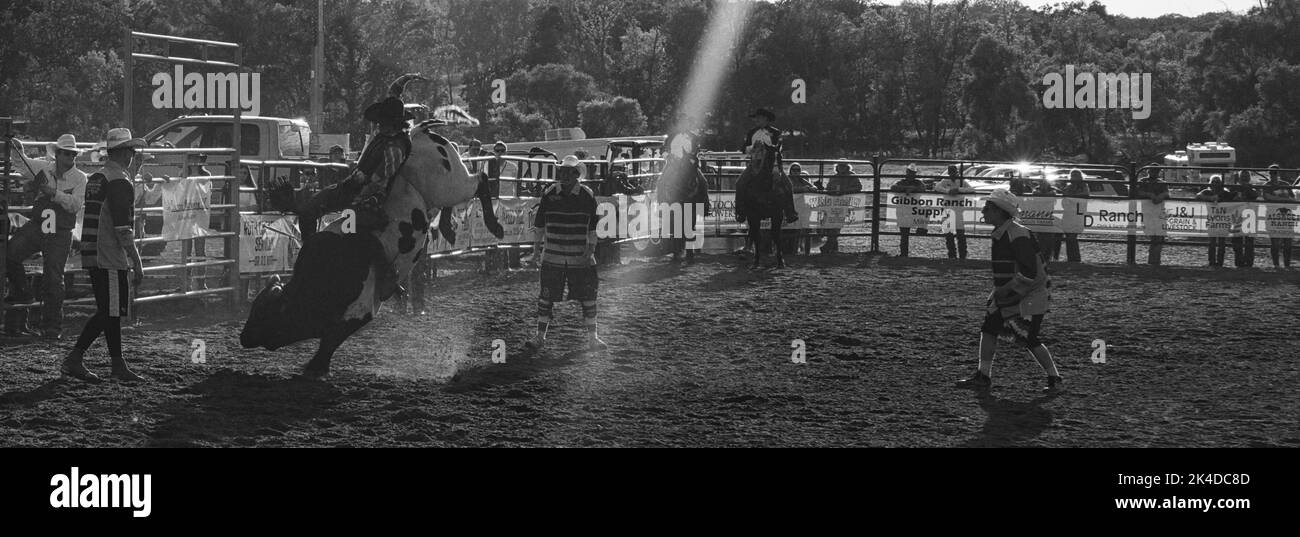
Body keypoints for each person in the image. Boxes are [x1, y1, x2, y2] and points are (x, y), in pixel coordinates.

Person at [297, 74, 422, 298]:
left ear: (393, 123)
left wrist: (360, 193)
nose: (378, 124)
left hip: (371, 198)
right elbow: (394, 91)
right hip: (351, 187)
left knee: (354, 233)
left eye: (383, 121)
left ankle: (387, 277)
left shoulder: (395, 147)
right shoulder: (386, 136)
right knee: (308, 211)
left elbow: (380, 181)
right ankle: (311, 260)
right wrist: (407, 79)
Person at [61, 128, 148, 383]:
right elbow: (123, 228)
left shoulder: (98, 177)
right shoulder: (119, 181)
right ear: (123, 152)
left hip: (93, 249)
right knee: (109, 310)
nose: (133, 154)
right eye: (131, 149)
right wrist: (136, 259)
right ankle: (76, 359)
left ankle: (115, 363)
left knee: (109, 310)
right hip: (108, 252)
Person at [956, 189, 1063, 393]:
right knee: (989, 328)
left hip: (1029, 294)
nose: (984, 211)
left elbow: (1029, 272)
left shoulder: (1016, 234)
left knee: (1028, 339)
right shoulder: (1009, 231)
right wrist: (999, 291)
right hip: (1020, 292)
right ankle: (983, 375)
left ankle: (1055, 379)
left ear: (999, 211)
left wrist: (1003, 290)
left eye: (988, 208)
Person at [3, 134, 87, 339]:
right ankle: (24, 295)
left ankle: (50, 326)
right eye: (66, 153)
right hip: (41, 226)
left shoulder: (80, 178)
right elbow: (21, 163)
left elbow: (75, 204)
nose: (70, 157)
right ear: (57, 154)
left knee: (53, 278)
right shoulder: (43, 168)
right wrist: (16, 148)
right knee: (9, 255)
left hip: (58, 232)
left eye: (72, 153)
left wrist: (53, 194)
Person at [523, 156, 606, 353]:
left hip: (580, 256)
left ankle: (593, 338)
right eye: (563, 172)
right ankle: (540, 337)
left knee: (588, 296)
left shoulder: (586, 195)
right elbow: (540, 224)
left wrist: (591, 249)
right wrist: (536, 251)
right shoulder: (550, 193)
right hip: (553, 255)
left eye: (569, 172)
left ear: (577, 175)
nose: (565, 176)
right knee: (546, 297)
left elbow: (593, 227)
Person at [740, 107, 797, 224]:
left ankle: (790, 212)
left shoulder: (776, 132)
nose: (756, 120)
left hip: (773, 164)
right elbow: (744, 149)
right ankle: (740, 211)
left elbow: (778, 147)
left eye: (759, 118)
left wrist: (765, 145)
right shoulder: (751, 132)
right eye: (756, 118)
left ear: (765, 119)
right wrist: (753, 147)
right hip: (755, 164)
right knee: (739, 183)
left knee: (788, 185)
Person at [821, 161, 862, 254]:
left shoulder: (852, 176)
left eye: (843, 166)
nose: (841, 167)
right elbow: (828, 188)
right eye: (840, 165)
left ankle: (828, 246)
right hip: (833, 203)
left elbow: (858, 187)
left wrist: (845, 191)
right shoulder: (833, 177)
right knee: (831, 225)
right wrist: (830, 191)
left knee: (836, 225)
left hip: (845, 203)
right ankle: (833, 247)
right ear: (837, 167)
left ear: (847, 167)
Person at [934, 165, 975, 259]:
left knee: (960, 234)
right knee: (949, 235)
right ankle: (952, 255)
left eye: (954, 172)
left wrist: (959, 190)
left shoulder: (961, 181)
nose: (952, 174)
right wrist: (948, 191)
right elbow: (937, 187)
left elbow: (972, 189)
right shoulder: (945, 181)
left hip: (958, 210)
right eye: (951, 172)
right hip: (947, 210)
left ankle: (962, 255)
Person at [889, 164, 927, 258]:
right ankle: (904, 253)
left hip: (913, 210)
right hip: (905, 210)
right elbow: (893, 187)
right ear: (907, 173)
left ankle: (922, 228)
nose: (911, 175)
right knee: (904, 233)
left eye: (913, 173)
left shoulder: (917, 182)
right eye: (910, 173)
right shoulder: (902, 182)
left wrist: (912, 189)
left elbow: (923, 188)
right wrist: (907, 188)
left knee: (904, 232)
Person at [1136, 165, 1171, 265]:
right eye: (1152, 170)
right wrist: (1150, 195)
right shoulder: (1143, 181)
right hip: (1148, 212)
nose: (1154, 172)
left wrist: (1160, 196)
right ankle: (1153, 260)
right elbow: (1136, 192)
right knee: (1154, 236)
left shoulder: (1162, 183)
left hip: (1159, 213)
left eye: (1156, 171)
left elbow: (1167, 194)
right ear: (1148, 171)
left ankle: (1155, 260)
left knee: (1159, 237)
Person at [1262, 164, 1294, 269]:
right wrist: (1284, 199)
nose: (1273, 175)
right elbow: (1267, 197)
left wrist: (1279, 199)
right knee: (1275, 242)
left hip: (1286, 217)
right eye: (1271, 172)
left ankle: (1287, 264)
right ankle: (1276, 264)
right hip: (1273, 217)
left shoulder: (1286, 184)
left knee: (1288, 243)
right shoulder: (1267, 185)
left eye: (1275, 172)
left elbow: (1293, 199)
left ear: (1278, 173)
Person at [1196, 175, 1232, 268]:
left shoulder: (1225, 192)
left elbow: (1233, 198)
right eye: (1213, 182)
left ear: (1221, 184)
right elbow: (1198, 196)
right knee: (1212, 242)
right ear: (1210, 183)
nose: (1215, 184)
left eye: (1217, 182)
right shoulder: (1207, 191)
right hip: (1212, 220)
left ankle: (1220, 262)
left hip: (1223, 220)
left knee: (1221, 242)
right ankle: (1211, 261)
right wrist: (1210, 198)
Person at [1058, 169, 1090, 262]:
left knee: (1072, 236)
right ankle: (1072, 258)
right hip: (1069, 214)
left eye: (1076, 175)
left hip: (1077, 214)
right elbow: (1064, 201)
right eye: (1073, 175)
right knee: (1069, 236)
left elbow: (1084, 195)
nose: (1074, 177)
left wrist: (1071, 196)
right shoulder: (1069, 187)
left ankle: (1074, 258)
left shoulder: (1084, 186)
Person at [1230, 170, 1258, 268]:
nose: (1245, 178)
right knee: (1237, 240)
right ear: (1239, 177)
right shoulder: (1234, 187)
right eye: (1243, 176)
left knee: (1249, 240)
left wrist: (1248, 189)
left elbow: (1256, 195)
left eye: (1246, 176)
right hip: (1237, 216)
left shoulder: (1252, 187)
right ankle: (1239, 261)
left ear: (1249, 178)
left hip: (1249, 216)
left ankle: (1249, 261)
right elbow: (1228, 197)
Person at [1030, 178, 1062, 259]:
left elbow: (1057, 194)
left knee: (1049, 238)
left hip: (1048, 216)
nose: (1043, 184)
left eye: (1044, 183)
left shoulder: (1051, 190)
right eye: (1042, 183)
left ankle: (1048, 256)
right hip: (1042, 216)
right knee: (1041, 237)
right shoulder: (1038, 190)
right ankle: (1043, 256)